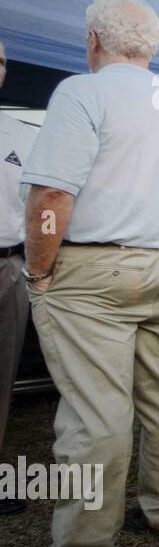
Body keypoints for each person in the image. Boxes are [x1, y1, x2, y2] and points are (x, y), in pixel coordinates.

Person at [0, 0, 159, 547]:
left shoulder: (81, 92)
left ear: (93, 40)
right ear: (148, 50)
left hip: (92, 272)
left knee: (94, 412)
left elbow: (49, 197)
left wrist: (40, 272)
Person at [0, 40, 37, 516]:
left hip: (10, 265)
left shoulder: (22, 135)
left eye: (3, 61)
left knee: (2, 377)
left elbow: (40, 204)